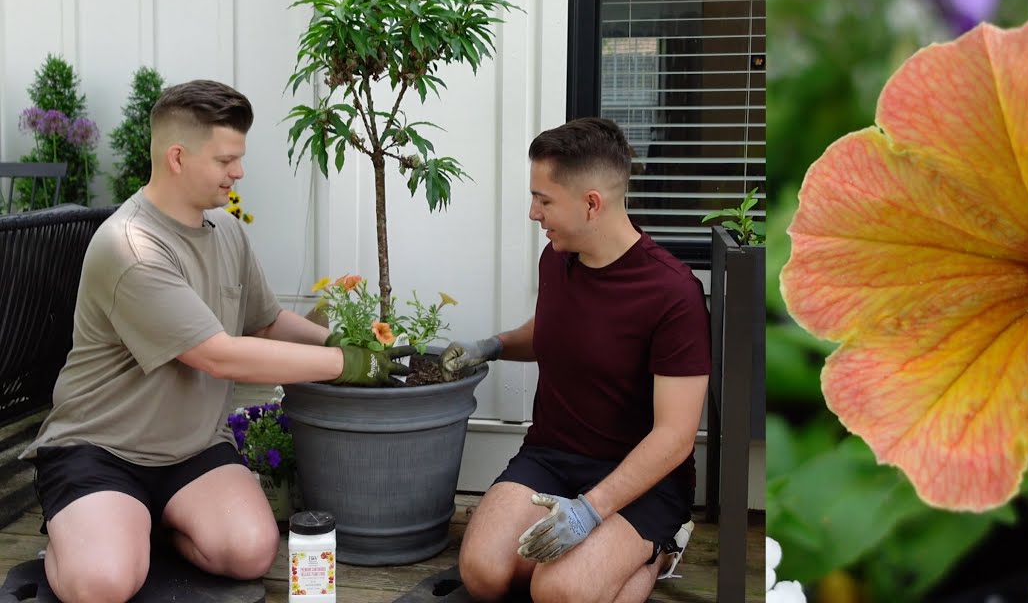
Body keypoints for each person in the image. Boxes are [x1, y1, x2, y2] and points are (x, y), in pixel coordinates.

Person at [19, 79, 406, 603]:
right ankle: (90, 534)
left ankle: (138, 525)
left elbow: (266, 323)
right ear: (177, 157)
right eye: (226, 160)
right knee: (102, 584)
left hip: (193, 447)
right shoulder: (131, 246)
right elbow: (217, 356)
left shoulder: (227, 231)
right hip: (101, 448)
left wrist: (343, 339)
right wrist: (347, 364)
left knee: (251, 553)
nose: (239, 171)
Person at [443, 117, 711, 603]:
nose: (533, 213)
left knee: (558, 592)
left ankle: (660, 551)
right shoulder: (557, 258)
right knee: (483, 573)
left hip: (639, 482)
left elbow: (674, 437)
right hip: (551, 458)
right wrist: (494, 346)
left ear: (591, 203)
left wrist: (591, 510)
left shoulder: (673, 294)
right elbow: (558, 333)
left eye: (543, 200)